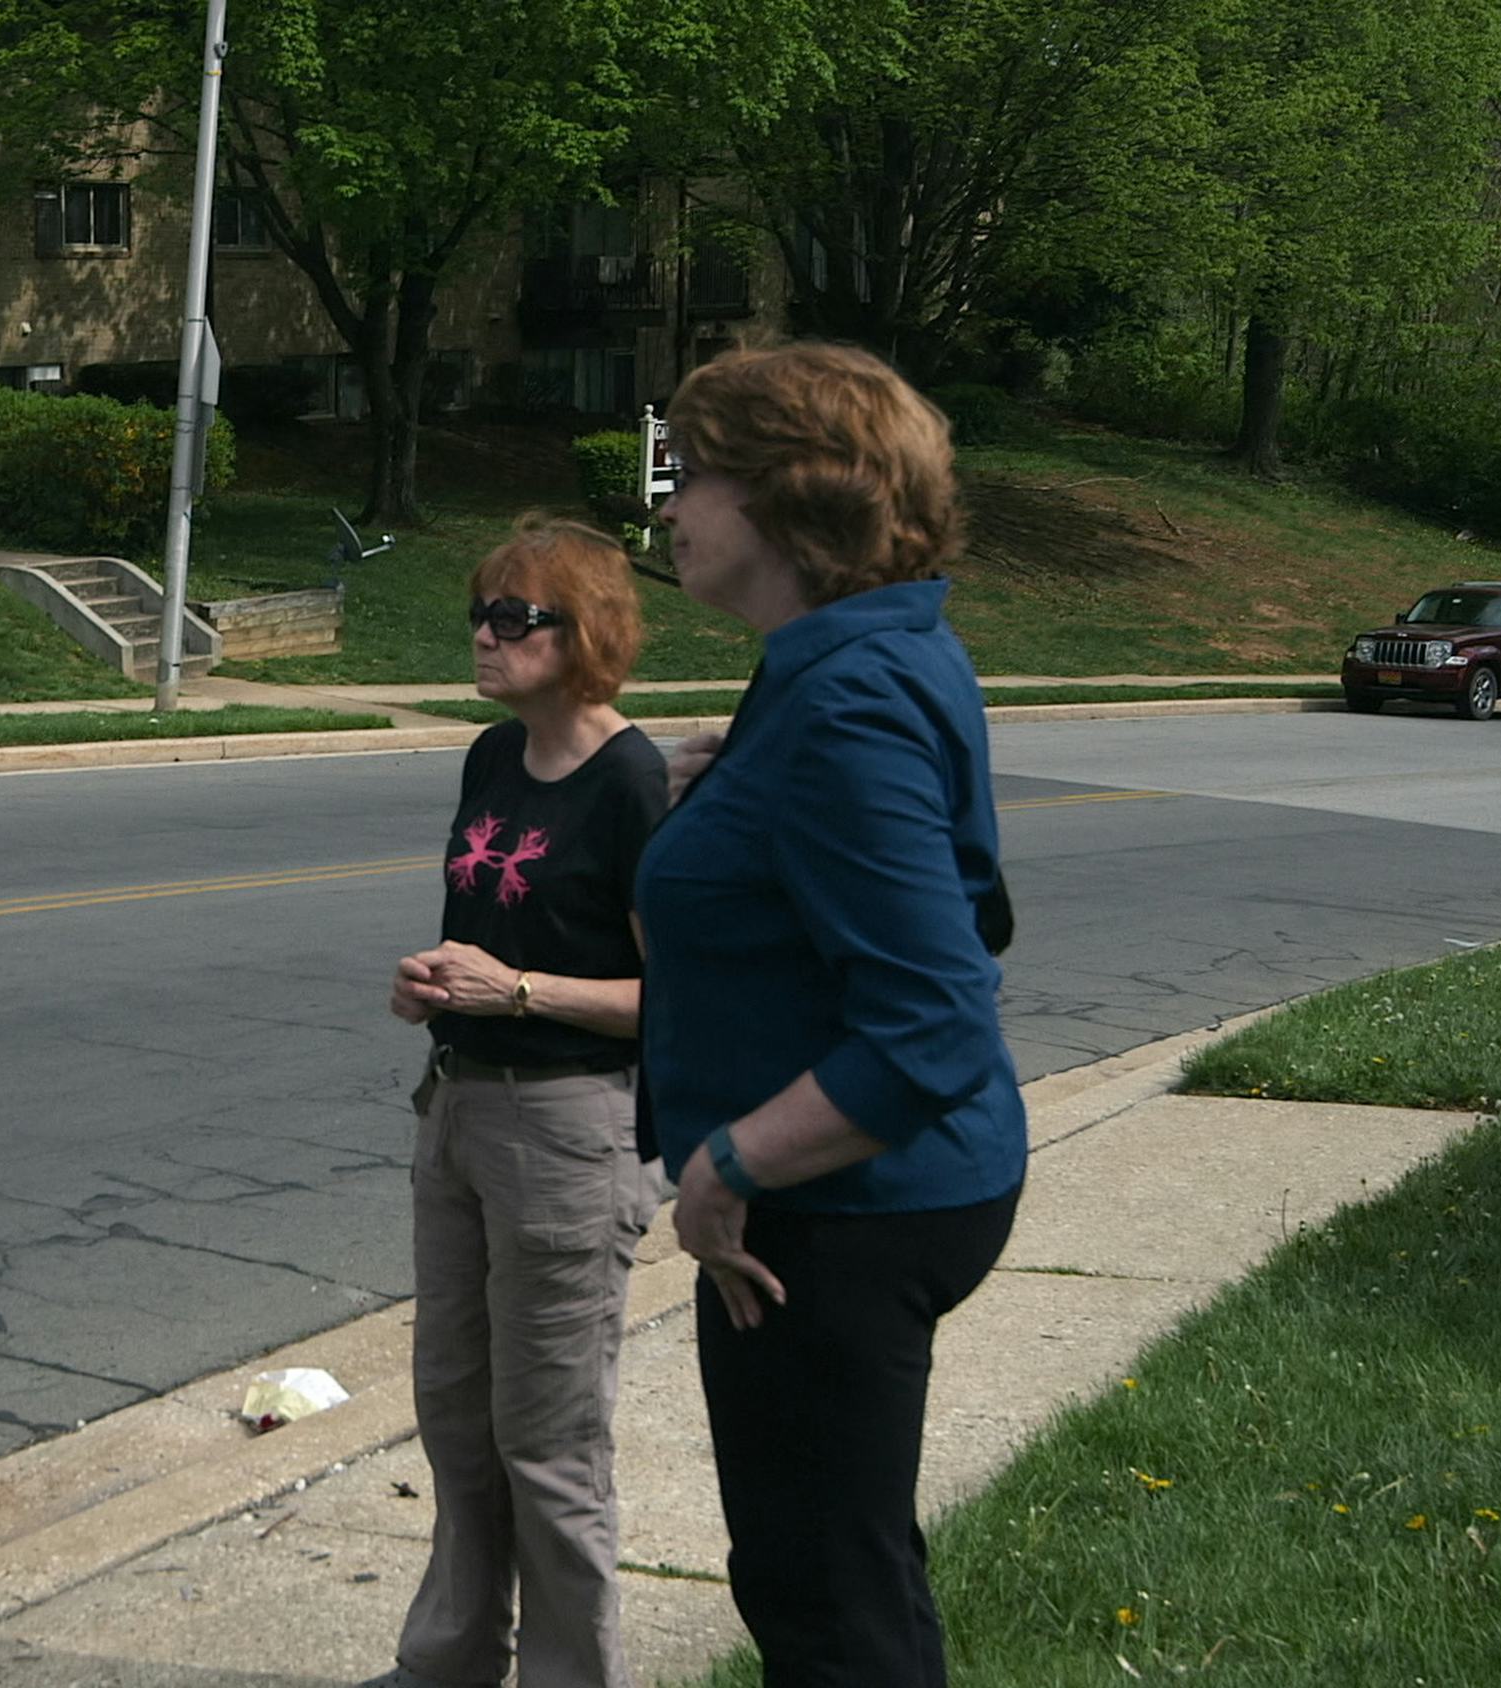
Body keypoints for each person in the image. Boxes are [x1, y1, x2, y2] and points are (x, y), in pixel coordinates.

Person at [636, 341, 1026, 1687]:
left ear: (791, 494)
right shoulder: (852, 661)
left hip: (842, 1213)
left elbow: (936, 1019)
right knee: (834, 1572)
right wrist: (717, 822)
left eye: (692, 475)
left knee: (825, 1601)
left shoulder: (847, 698)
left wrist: (728, 1166)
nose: (670, 506)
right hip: (865, 1198)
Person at [384, 516, 670, 1688]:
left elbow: (682, 998)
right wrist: (434, 984)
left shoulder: (635, 784)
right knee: (456, 1411)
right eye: (480, 613)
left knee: (548, 1438)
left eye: (515, 617)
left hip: (567, 1127)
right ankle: (452, 1658)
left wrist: (517, 990)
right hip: (457, 1104)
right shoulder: (492, 757)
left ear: (585, 632)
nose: (485, 636)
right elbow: (486, 934)